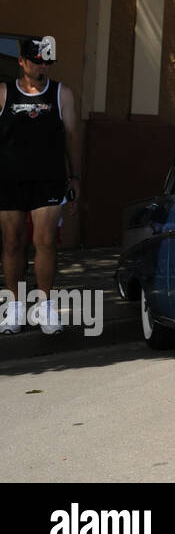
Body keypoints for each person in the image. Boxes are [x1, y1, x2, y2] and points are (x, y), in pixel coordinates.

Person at [1, 36, 81, 335]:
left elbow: (72, 137)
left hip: (48, 180)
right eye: (36, 60)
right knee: (11, 242)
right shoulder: (3, 93)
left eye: (46, 61)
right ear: (21, 61)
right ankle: (15, 308)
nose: (42, 66)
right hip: (8, 180)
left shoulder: (62, 94)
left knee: (45, 242)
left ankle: (45, 307)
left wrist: (76, 177)